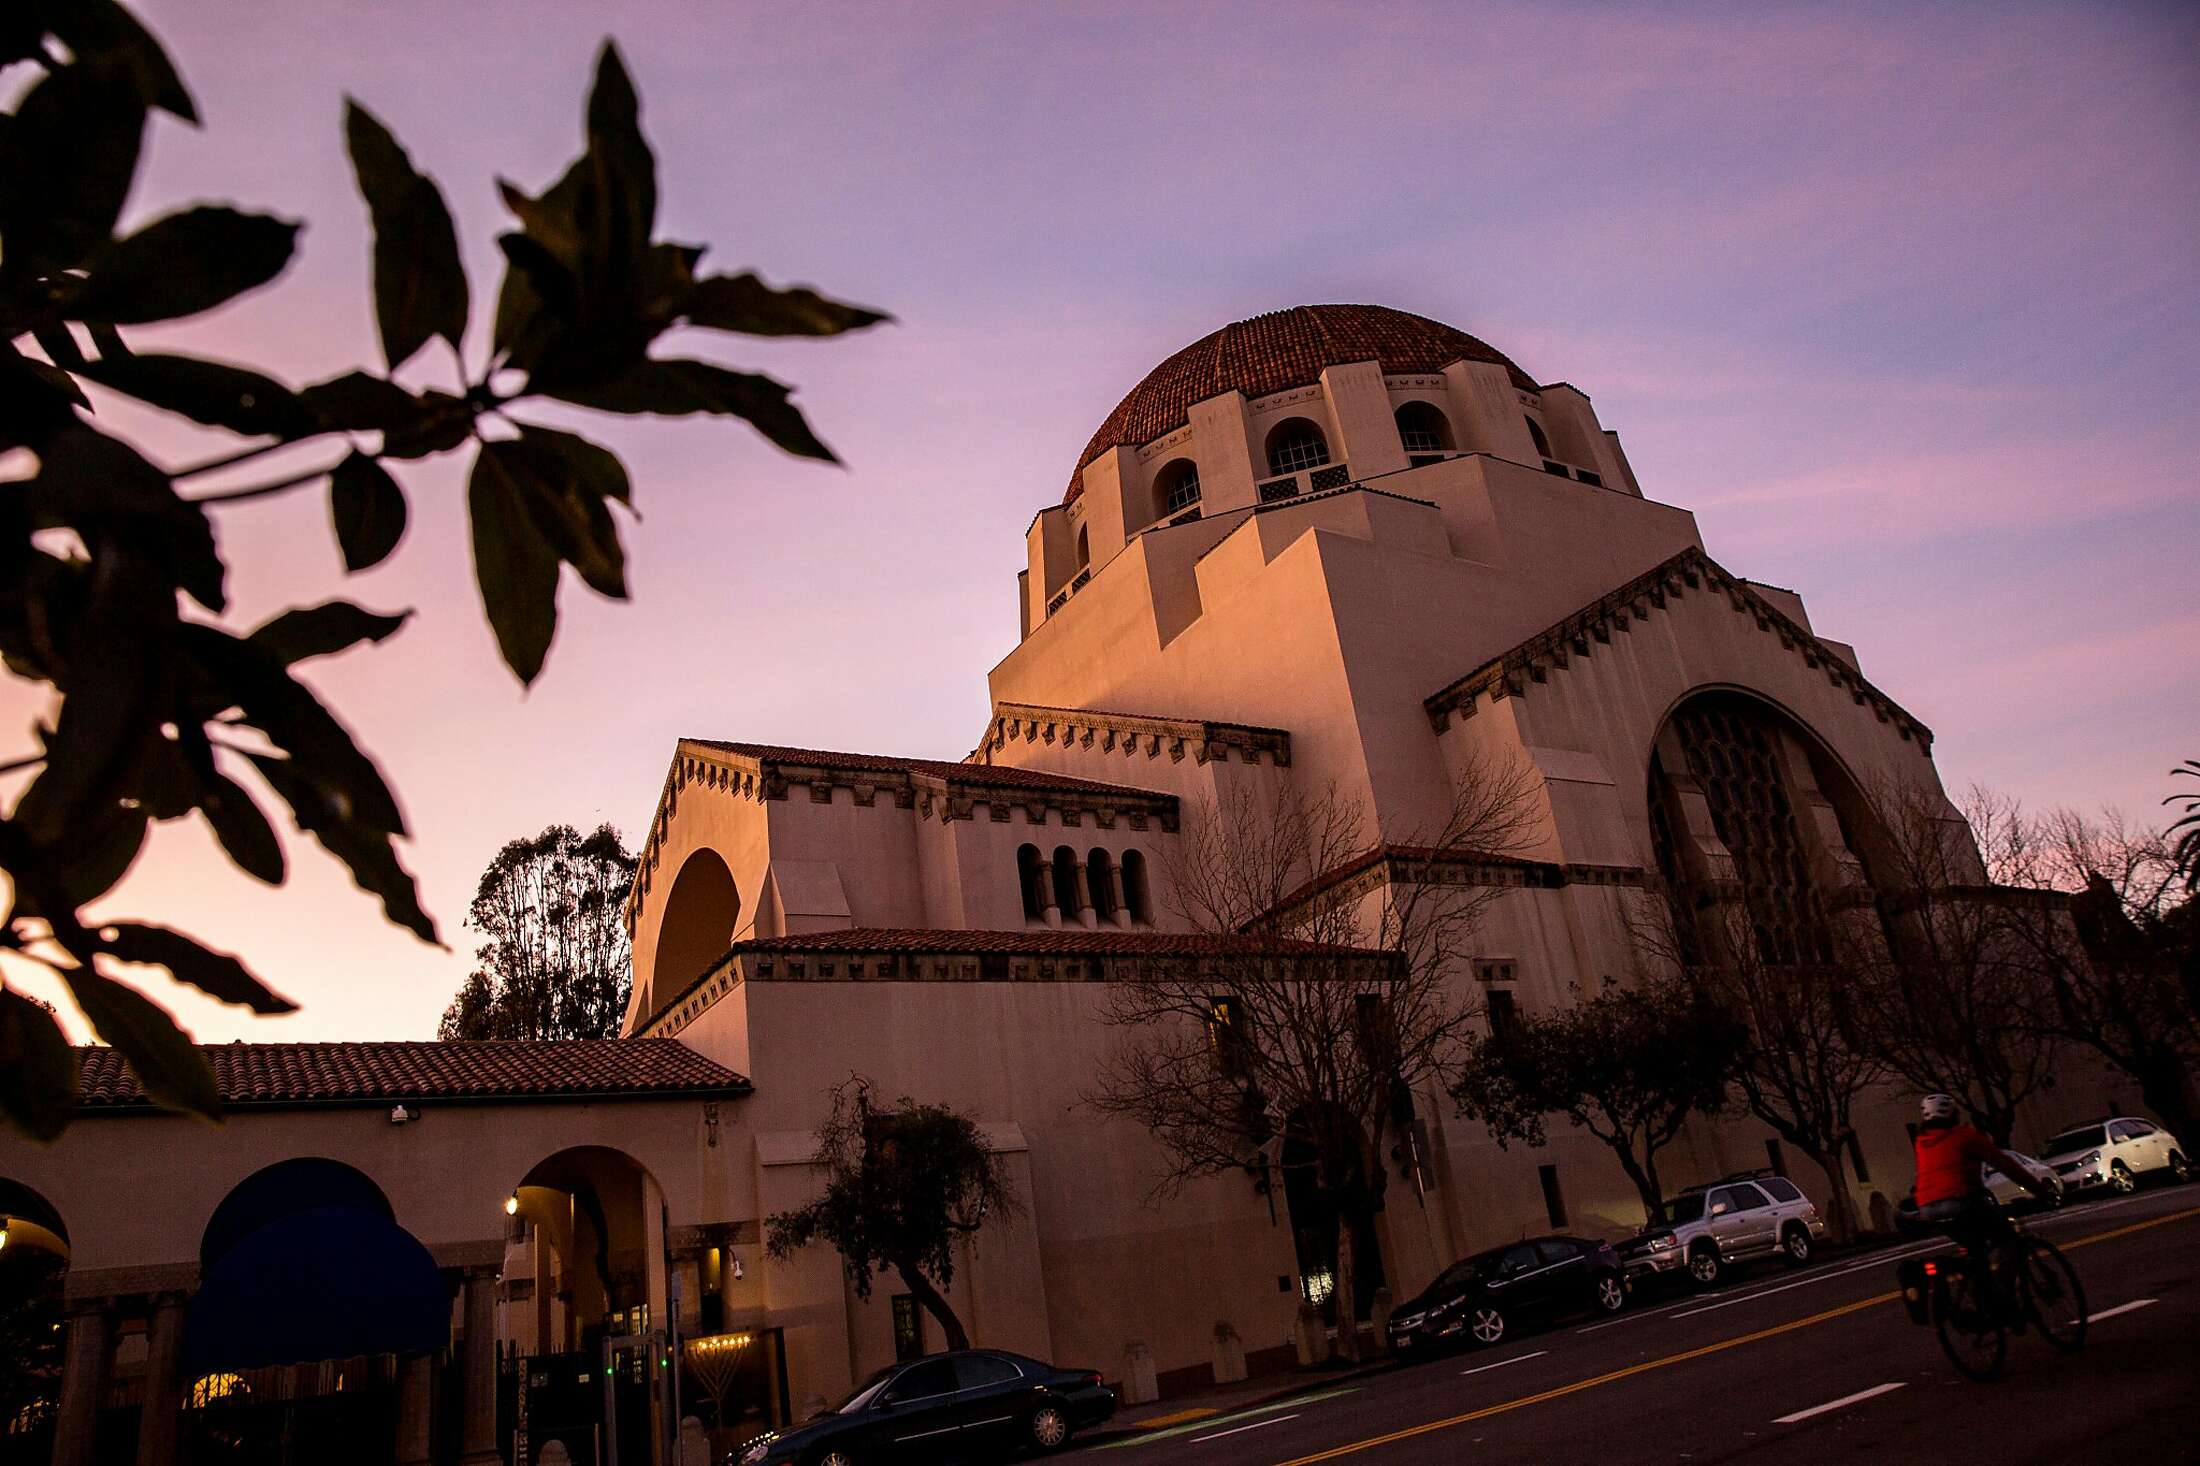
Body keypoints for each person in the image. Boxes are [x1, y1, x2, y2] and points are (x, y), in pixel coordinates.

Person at [1911, 1093, 2054, 1266]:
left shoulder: (1922, 1141)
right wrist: (2040, 1191)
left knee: (1976, 1251)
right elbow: (2006, 1165)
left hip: (1927, 1208)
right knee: (2007, 1238)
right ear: (1953, 1114)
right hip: (1961, 1201)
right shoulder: (1965, 1136)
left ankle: (1979, 1279)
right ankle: (2002, 1279)